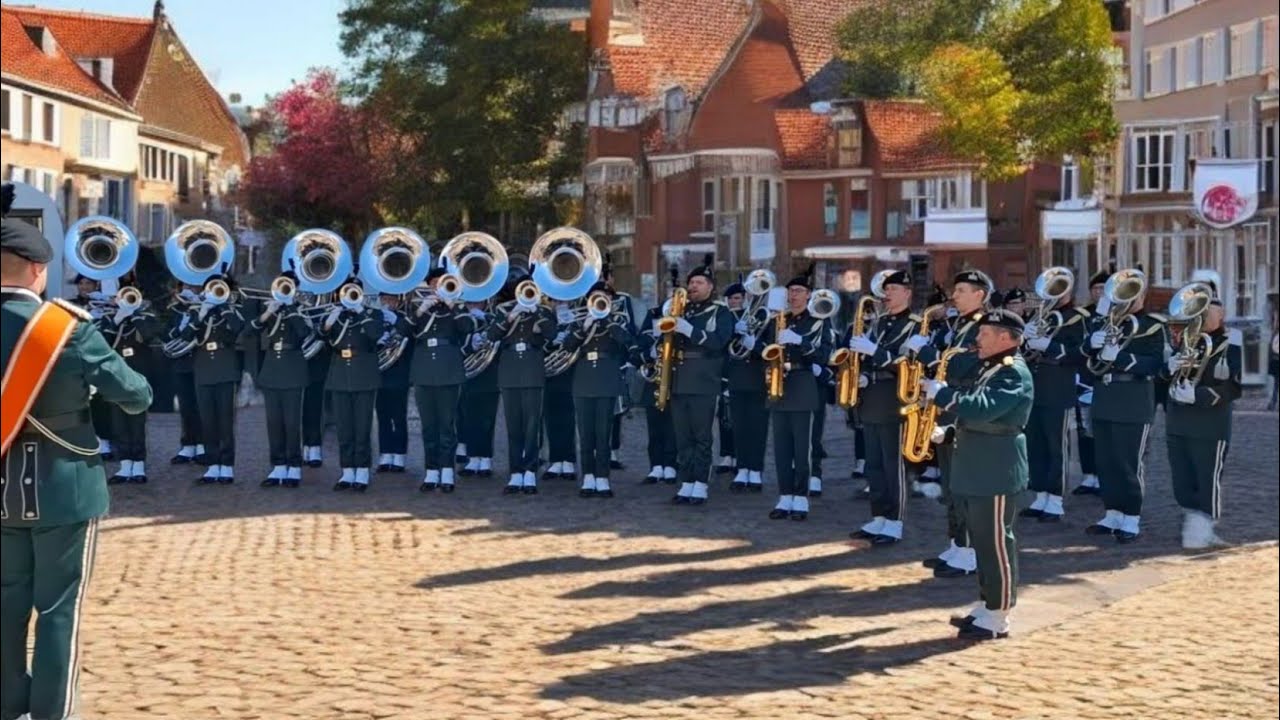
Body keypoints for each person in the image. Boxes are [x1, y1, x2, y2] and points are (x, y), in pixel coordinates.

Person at [1, 205, 153, 720]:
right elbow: (135, 395)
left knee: (4, 606)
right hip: (63, 489)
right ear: (38, 270)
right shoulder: (66, 329)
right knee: (58, 609)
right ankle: (52, 711)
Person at [922, 309, 1034, 641]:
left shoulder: (1014, 373)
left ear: (1005, 338)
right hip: (977, 466)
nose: (977, 339)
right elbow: (982, 413)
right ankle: (988, 604)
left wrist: (942, 394)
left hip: (996, 468)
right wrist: (952, 430)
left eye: (984, 334)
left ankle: (999, 614)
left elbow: (983, 407)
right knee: (983, 542)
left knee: (997, 542)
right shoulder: (993, 368)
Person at [917, 270, 991, 576]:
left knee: (964, 483)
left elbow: (970, 364)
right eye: (955, 289)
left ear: (980, 295)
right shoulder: (959, 325)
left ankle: (971, 551)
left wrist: (932, 357)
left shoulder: (984, 326)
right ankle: (957, 544)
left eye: (961, 290)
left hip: (964, 411)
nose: (955, 295)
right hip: (947, 409)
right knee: (950, 483)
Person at [1082, 277, 1166, 543]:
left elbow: (1154, 365)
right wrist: (1090, 345)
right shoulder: (1106, 323)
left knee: (1128, 462)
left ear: (1141, 296)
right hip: (1104, 396)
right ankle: (1112, 512)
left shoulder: (1153, 326)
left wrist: (1119, 357)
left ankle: (1131, 516)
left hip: (1133, 398)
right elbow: (1086, 363)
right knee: (1106, 461)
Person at [846, 270, 918, 545]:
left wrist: (874, 352)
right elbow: (866, 357)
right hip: (872, 396)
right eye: (886, 289)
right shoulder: (879, 323)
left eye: (894, 289)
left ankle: (895, 521)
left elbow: (908, 363)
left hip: (894, 398)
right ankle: (878, 516)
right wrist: (861, 373)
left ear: (907, 293)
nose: (887, 293)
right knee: (873, 463)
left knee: (893, 464)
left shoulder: (914, 324)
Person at [1165, 291, 1241, 549]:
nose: (1205, 315)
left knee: (1207, 478)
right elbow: (1165, 379)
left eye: (1211, 311)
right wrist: (1169, 368)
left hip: (1210, 423)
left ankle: (1203, 528)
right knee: (1182, 478)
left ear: (1222, 316)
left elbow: (1234, 387)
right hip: (1178, 421)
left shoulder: (1232, 344)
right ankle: (1193, 523)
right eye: (1202, 310)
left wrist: (1197, 395)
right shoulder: (1186, 341)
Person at [1019, 274, 1089, 522]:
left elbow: (1080, 353)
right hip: (1034, 387)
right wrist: (1024, 338)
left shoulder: (1076, 318)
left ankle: (1056, 500)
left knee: (1057, 446)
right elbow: (1024, 353)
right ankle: (1039, 495)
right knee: (1034, 443)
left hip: (1058, 387)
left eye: (1058, 289)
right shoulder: (1039, 317)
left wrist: (1048, 345)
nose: (1053, 293)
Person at [759, 275, 829, 520]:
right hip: (779, 384)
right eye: (791, 291)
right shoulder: (779, 320)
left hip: (802, 384)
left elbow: (824, 354)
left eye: (799, 291)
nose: (794, 295)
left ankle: (801, 497)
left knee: (802, 448)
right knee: (781, 448)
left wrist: (801, 341)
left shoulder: (819, 321)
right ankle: (784, 495)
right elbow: (765, 350)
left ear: (809, 294)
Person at [666, 262, 734, 506]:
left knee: (702, 436)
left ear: (711, 287)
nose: (693, 286)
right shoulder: (681, 310)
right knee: (682, 435)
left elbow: (718, 341)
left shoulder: (720, 312)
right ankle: (685, 482)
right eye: (692, 282)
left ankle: (701, 484)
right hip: (679, 378)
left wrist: (690, 330)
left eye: (699, 283)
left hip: (705, 378)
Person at [561, 281, 635, 498]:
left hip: (607, 377)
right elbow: (567, 346)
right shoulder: (580, 320)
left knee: (604, 432)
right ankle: (588, 477)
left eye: (604, 297)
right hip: (583, 377)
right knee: (585, 433)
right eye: (595, 296)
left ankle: (603, 477)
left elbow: (627, 341)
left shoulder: (618, 319)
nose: (600, 300)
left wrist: (608, 321)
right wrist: (585, 326)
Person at [410, 269, 475, 493]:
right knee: (429, 426)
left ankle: (447, 472)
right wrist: (421, 309)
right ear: (428, 286)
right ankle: (431, 472)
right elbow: (403, 330)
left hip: (449, 370)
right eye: (434, 283)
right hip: (424, 371)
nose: (438, 287)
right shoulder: (417, 306)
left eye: (442, 283)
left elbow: (468, 328)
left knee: (447, 425)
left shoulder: (458, 306)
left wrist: (453, 305)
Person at [489, 277, 555, 494]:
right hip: (509, 371)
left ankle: (530, 472)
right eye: (525, 289)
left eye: (532, 290)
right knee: (513, 425)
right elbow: (492, 335)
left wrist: (536, 312)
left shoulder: (544, 311)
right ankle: (515, 472)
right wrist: (512, 316)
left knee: (532, 425)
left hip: (532, 370)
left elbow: (552, 335)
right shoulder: (503, 309)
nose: (528, 293)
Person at [178, 272, 245, 484]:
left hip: (226, 369)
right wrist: (200, 314)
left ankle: (227, 466)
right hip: (203, 370)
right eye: (211, 289)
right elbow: (185, 337)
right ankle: (212, 465)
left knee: (225, 420)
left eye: (218, 289)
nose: (214, 292)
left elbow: (237, 329)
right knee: (207, 420)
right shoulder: (198, 311)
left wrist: (222, 306)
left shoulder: (231, 310)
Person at [323, 278, 385, 492]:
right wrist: (330, 321)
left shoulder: (373, 314)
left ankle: (363, 471)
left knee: (362, 426)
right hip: (340, 374)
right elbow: (324, 338)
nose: (351, 294)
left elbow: (375, 335)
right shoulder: (337, 315)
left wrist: (360, 311)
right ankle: (347, 471)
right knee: (344, 427)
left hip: (363, 375)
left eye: (355, 290)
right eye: (348, 291)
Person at [250, 272, 311, 488]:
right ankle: (277, 466)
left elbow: (304, 333)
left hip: (293, 370)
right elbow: (250, 331)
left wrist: (291, 308)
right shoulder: (271, 309)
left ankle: (294, 466)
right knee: (274, 422)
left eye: (289, 287)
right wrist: (268, 313)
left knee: (292, 422)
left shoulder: (301, 309)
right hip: (272, 370)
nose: (285, 290)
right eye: (284, 286)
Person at [98, 271, 159, 484]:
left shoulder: (145, 317)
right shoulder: (109, 318)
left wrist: (134, 314)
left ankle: (139, 465)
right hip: (116, 376)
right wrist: (117, 318)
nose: (124, 298)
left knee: (137, 421)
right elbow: (101, 342)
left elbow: (150, 335)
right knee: (119, 421)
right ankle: (125, 466)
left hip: (138, 375)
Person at [725, 279, 767, 494]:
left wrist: (755, 345)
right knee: (739, 426)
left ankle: (756, 470)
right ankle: (742, 468)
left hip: (758, 377)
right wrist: (734, 331)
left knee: (758, 427)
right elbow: (722, 345)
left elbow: (773, 349)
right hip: (737, 377)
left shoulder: (766, 317)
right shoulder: (731, 316)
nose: (751, 296)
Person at [1072, 270, 1109, 496]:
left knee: (1105, 431)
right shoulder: (1082, 315)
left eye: (1104, 289)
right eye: (1096, 289)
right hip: (1085, 378)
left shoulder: (1118, 314)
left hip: (1108, 380)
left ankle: (1105, 475)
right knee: (1085, 430)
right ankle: (1089, 476)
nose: (1100, 293)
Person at [165, 282, 206, 466]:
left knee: (202, 406)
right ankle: (188, 445)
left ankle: (203, 445)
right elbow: (167, 333)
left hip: (200, 362)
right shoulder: (176, 311)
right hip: (181, 363)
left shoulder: (207, 309)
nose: (190, 290)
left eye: (195, 287)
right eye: (187, 286)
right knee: (186, 407)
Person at [458, 300, 499, 478]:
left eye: (478, 301)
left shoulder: (495, 316)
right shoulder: (460, 317)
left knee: (487, 419)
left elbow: (503, 332)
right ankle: (473, 457)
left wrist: (486, 318)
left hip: (490, 376)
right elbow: (454, 342)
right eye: (470, 301)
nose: (474, 304)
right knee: (469, 418)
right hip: (468, 375)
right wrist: (469, 345)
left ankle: (486, 458)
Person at [640, 303, 678, 485]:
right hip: (654, 377)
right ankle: (656, 464)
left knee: (672, 424)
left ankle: (671, 464)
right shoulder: (653, 313)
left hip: (675, 377)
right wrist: (649, 351)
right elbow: (641, 339)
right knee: (654, 424)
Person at [375, 292, 412, 475]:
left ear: (398, 302)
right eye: (385, 299)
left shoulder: (405, 319)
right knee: (382, 417)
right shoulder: (375, 318)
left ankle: (399, 455)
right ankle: (385, 454)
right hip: (380, 374)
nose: (388, 303)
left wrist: (396, 321)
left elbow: (410, 335)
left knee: (398, 417)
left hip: (399, 375)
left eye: (392, 300)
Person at [543, 301, 579, 481]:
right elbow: (539, 342)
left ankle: (569, 460)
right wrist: (551, 341)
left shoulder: (576, 317)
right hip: (549, 374)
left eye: (563, 299)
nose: (560, 302)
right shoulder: (545, 316)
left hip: (570, 372)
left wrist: (571, 332)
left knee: (568, 417)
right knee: (551, 418)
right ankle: (556, 460)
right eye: (555, 299)